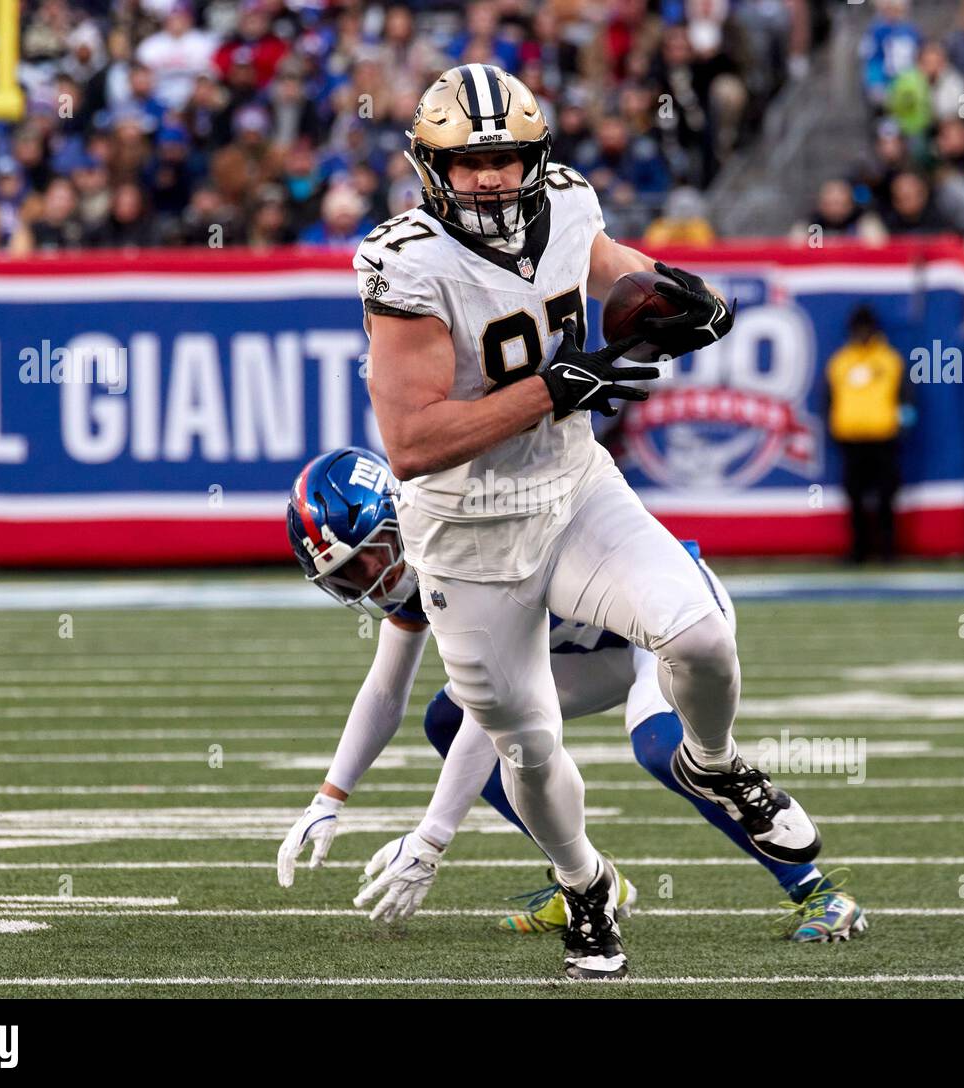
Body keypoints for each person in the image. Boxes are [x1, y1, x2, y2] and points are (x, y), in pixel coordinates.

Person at [355, 65, 817, 980]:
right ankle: (587, 885)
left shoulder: (566, 201)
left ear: (538, 157)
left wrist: (684, 294)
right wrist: (554, 387)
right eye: (470, 161)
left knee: (701, 638)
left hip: (572, 489)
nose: (490, 177)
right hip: (466, 529)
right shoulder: (405, 264)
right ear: (428, 165)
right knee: (529, 745)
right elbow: (410, 443)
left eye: (507, 158)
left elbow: (615, 270)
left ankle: (713, 762)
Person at [275, 447, 865, 943]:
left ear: (395, 518)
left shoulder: (466, 542)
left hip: (662, 624)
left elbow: (497, 707)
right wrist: (330, 796)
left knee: (662, 747)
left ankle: (817, 890)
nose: (369, 581)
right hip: (580, 647)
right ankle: (585, 877)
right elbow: (387, 689)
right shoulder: (422, 564)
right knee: (448, 718)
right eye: (347, 578)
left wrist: (431, 839)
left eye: (371, 558)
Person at [824, 306, 909, 563]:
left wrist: (903, 427)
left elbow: (906, 398)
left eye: (866, 328)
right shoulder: (840, 362)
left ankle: (887, 550)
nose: (862, 333)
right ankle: (859, 550)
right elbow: (829, 399)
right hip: (851, 439)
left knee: (886, 496)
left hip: (883, 437)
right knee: (854, 497)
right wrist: (834, 426)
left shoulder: (889, 360)